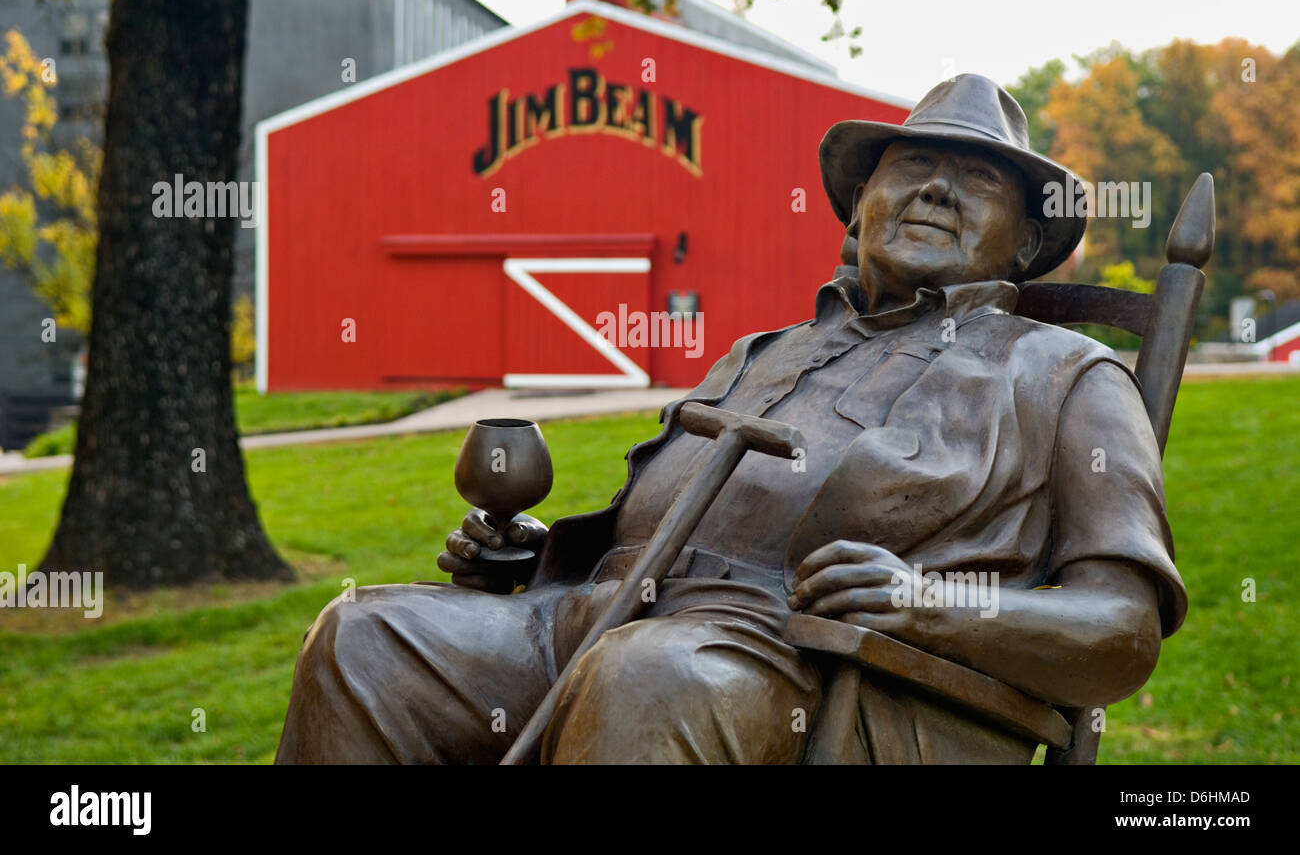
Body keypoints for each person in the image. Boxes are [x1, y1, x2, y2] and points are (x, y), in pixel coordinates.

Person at [275, 74, 1186, 764]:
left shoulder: (1063, 373)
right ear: (858, 207)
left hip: (815, 667)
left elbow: (1120, 630)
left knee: (650, 677)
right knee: (364, 635)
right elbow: (678, 516)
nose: (936, 190)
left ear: (1025, 243)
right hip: (596, 617)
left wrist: (925, 601)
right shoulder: (763, 349)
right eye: (912, 167)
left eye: (976, 179)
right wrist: (542, 553)